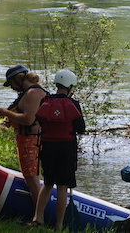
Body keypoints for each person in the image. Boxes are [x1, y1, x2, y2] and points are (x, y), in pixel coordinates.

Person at [26, 69, 85, 231]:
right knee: (62, 187)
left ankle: (37, 218)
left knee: (47, 183)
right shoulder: (74, 104)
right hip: (66, 149)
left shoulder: (46, 101)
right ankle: (59, 225)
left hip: (48, 147)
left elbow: (40, 120)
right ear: (70, 86)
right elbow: (80, 128)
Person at [0, 64, 48, 208]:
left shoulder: (32, 93)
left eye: (11, 83)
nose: (11, 87)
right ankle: (39, 213)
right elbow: (24, 116)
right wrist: (11, 119)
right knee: (33, 177)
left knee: (32, 179)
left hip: (31, 140)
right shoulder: (28, 92)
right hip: (28, 140)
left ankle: (39, 218)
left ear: (18, 79)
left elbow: (28, 119)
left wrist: (6, 113)